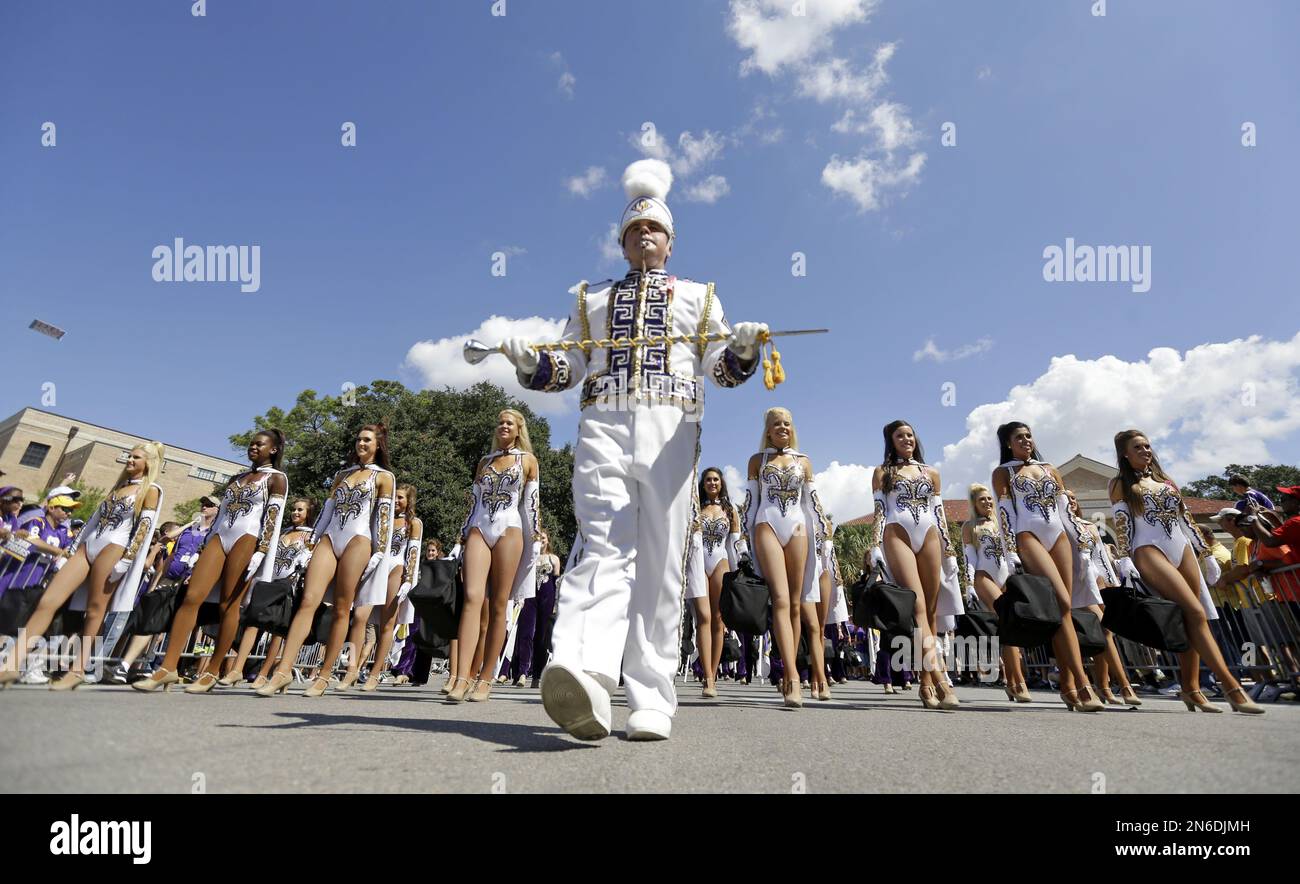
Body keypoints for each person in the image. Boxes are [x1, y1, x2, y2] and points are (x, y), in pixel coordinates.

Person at [497, 158, 767, 741]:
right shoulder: (590, 297)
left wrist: (742, 352)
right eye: (633, 230)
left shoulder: (699, 296)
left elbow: (720, 369)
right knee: (602, 543)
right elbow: (566, 365)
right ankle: (586, 675)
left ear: (671, 241)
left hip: (673, 426)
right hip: (603, 424)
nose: (644, 236)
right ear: (622, 241)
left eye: (655, 230)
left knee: (664, 561)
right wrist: (529, 362)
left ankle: (652, 694)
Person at [1109, 429, 1263, 713]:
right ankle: (1232, 687)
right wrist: (1124, 556)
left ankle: (1191, 689)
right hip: (1147, 548)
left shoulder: (1166, 482)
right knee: (1193, 612)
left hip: (1181, 548)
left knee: (1193, 617)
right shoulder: (1120, 483)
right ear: (1125, 454)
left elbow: (1186, 519)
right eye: (1138, 447)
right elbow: (1121, 522)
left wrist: (1205, 554)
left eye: (1147, 445)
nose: (1145, 450)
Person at [2, 444, 166, 689]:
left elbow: (144, 527)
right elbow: (91, 522)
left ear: (149, 463)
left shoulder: (150, 490)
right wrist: (71, 550)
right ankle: (12, 664)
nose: (130, 459)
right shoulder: (119, 487)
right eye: (129, 455)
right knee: (49, 600)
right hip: (87, 546)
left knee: (95, 610)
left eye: (136, 457)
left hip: (115, 546)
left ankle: (78, 670)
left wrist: (127, 559)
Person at [135, 431, 289, 693]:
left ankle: (212, 670)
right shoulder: (236, 478)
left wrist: (261, 550)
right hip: (219, 536)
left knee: (229, 604)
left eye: (259, 444)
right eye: (251, 443)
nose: (253, 447)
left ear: (273, 450)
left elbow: (273, 517)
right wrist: (205, 545)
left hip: (247, 538)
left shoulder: (276, 479)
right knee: (192, 596)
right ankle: (167, 667)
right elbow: (220, 516)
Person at [256, 425, 396, 697]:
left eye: (367, 439)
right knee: (308, 601)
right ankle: (283, 671)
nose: (361, 443)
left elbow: (383, 518)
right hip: (330, 538)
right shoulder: (342, 475)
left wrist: (379, 552)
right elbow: (326, 512)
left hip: (359, 540)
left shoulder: (384, 477)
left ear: (378, 445)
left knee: (343, 608)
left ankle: (324, 674)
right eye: (358, 438)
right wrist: (311, 543)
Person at [993, 422, 1103, 712]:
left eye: (1029, 435)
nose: (1026, 440)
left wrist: (1081, 545)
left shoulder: (1049, 469)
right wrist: (1010, 552)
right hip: (1028, 536)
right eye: (1019, 437)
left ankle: (1067, 685)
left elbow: (1066, 509)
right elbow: (1005, 512)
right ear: (1008, 444)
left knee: (1063, 611)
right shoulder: (1004, 473)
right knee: (1064, 604)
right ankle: (1083, 684)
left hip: (1059, 536)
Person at [446, 410, 539, 703]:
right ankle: (461, 677)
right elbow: (474, 502)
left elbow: (533, 504)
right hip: (479, 528)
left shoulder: (528, 461)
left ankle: (486, 677)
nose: (503, 426)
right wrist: (462, 534)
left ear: (518, 429)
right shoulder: (484, 462)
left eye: (509, 423)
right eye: (499, 422)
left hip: (509, 530)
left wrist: (535, 538)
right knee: (472, 598)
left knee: (500, 604)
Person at [869, 420, 961, 711]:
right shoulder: (883, 472)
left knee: (931, 612)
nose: (906, 439)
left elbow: (939, 513)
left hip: (930, 533)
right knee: (918, 607)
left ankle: (925, 684)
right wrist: (875, 546)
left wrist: (949, 548)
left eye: (910, 434)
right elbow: (880, 511)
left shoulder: (931, 472)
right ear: (891, 441)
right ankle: (942, 680)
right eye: (900, 435)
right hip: (897, 532)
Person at [744, 408, 827, 709]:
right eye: (776, 424)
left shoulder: (803, 461)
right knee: (779, 600)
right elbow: (750, 503)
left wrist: (821, 540)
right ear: (767, 431)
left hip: (797, 527)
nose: (782, 427)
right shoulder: (758, 461)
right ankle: (791, 676)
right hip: (766, 524)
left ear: (793, 429)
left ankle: (793, 668)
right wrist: (743, 540)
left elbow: (813, 502)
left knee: (795, 603)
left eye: (787, 423)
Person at [1064, 489, 1141, 706]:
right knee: (1070, 638)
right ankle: (1072, 686)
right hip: (1067, 585)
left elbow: (1100, 559)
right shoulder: (1058, 525)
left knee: (1103, 632)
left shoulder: (1089, 527)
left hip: (1091, 586)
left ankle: (1112, 686)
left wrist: (1111, 584)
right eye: (1065, 497)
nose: (1070, 500)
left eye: (1073, 497)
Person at [960, 483, 1030, 702]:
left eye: (989, 499)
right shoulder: (969, 527)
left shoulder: (1003, 524)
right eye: (982, 500)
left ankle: (1011, 680)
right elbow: (969, 558)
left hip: (1006, 578)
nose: (987, 503)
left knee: (1010, 627)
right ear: (974, 504)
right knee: (1008, 622)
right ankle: (1019, 683)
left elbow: (1012, 553)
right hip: (984, 577)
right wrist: (969, 584)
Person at [355, 484, 422, 692]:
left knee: (387, 623)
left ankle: (374, 674)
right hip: (376, 567)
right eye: (394, 497)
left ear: (409, 501)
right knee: (360, 617)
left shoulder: (413, 523)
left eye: (400, 498)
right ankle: (351, 670)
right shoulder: (380, 518)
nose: (396, 501)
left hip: (396, 567)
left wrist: (408, 580)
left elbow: (413, 552)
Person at [695, 467, 746, 699]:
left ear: (721, 483)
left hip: (720, 562)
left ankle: (712, 676)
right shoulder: (694, 508)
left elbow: (735, 542)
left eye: (716, 479)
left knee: (717, 619)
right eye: (708, 480)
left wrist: (739, 574)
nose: (712, 483)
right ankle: (706, 673)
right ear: (703, 483)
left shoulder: (730, 509)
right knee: (703, 617)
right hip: (697, 562)